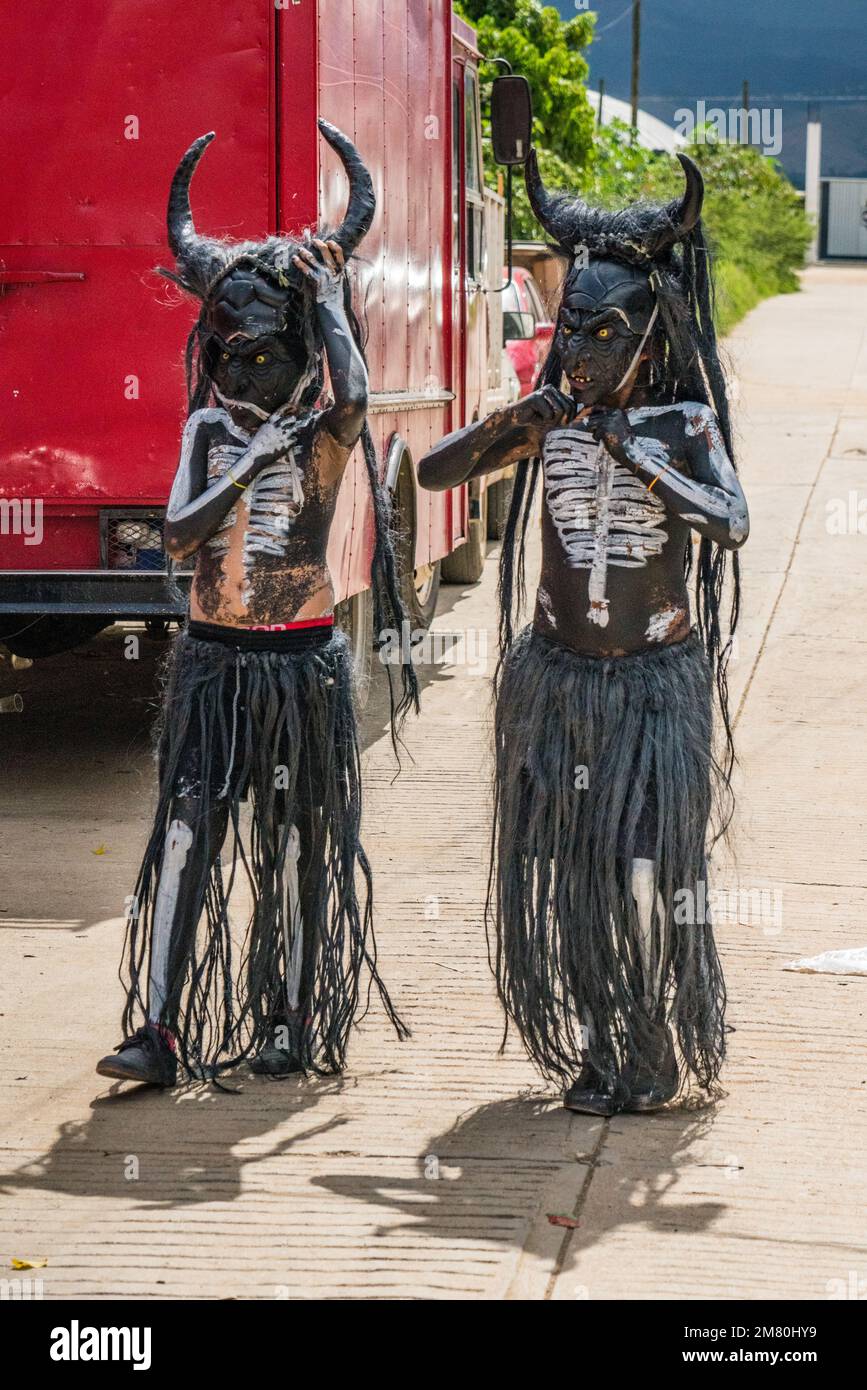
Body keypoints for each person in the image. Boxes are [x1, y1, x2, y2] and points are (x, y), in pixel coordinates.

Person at [418, 152, 748, 1115]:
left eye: (608, 337)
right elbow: (439, 475)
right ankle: (603, 1045)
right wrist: (521, 418)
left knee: (643, 866)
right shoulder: (547, 421)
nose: (587, 358)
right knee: (571, 872)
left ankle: (651, 1048)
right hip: (558, 679)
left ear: (652, 339)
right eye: (575, 335)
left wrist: (634, 455)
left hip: (652, 682)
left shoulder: (682, 420)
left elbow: (727, 520)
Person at [97, 121, 416, 1088]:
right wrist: (245, 465)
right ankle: (158, 1029)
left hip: (296, 663)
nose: (242, 380)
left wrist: (326, 304)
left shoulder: (326, 428)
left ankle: (286, 1020)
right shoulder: (209, 427)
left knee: (290, 838)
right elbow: (182, 535)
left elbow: (357, 400)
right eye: (227, 360)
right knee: (188, 828)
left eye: (263, 361)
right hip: (211, 657)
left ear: (300, 358)